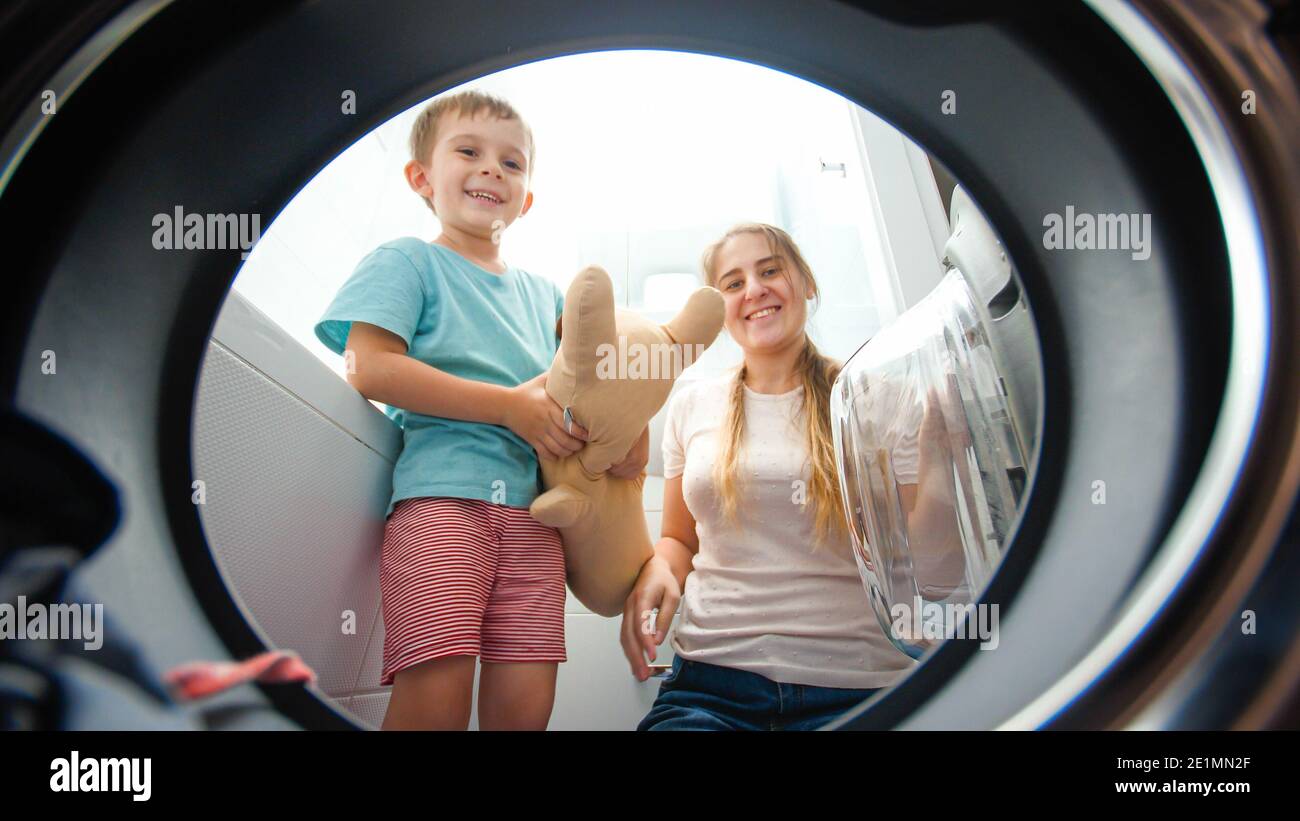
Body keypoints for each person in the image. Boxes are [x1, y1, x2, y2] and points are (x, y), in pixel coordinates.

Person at [314, 90, 649, 730]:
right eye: (469, 151)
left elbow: (589, 398)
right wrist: (508, 409)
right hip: (442, 506)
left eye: (512, 163)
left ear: (525, 200)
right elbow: (366, 366)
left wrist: (622, 433)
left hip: (538, 524)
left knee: (525, 711)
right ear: (421, 178)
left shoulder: (547, 296)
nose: (493, 169)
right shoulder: (407, 261)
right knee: (434, 701)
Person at [623, 222, 917, 731]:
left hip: (860, 684)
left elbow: (916, 549)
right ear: (719, 309)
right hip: (713, 684)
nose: (754, 290)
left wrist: (937, 446)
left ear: (806, 283)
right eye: (733, 283)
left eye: (770, 270)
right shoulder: (693, 404)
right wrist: (657, 570)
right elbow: (678, 539)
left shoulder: (873, 396)